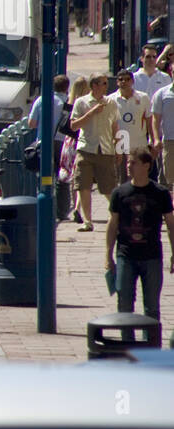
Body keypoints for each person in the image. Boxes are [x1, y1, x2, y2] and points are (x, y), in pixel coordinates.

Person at [105, 149, 174, 326]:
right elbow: (112, 224)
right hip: (126, 255)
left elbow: (170, 224)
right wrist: (108, 255)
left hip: (152, 256)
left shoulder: (160, 193)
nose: (129, 166)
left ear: (146, 166)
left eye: (133, 162)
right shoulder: (120, 193)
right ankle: (128, 346)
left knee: (151, 307)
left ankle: (151, 348)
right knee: (124, 305)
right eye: (128, 162)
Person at [69, 73, 120, 231]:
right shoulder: (81, 102)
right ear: (94, 85)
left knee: (108, 187)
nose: (106, 86)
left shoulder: (111, 103)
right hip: (86, 149)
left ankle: (118, 216)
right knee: (83, 185)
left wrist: (119, 148)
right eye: (103, 83)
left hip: (105, 149)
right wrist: (91, 113)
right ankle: (87, 221)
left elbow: (116, 127)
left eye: (106, 83)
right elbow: (74, 126)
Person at [108, 69, 153, 182]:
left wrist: (152, 140)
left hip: (139, 146)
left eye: (127, 79)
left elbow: (149, 120)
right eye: (121, 79)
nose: (124, 82)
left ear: (132, 81)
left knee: (139, 178)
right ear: (117, 82)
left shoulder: (143, 98)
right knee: (121, 180)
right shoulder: (111, 100)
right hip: (120, 147)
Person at [62, 76, 91, 222]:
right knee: (80, 175)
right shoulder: (86, 103)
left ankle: (75, 206)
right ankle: (76, 207)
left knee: (72, 176)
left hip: (69, 142)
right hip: (82, 140)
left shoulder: (69, 102)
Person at [152, 77, 174, 188]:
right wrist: (156, 139)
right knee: (169, 177)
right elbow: (155, 119)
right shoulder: (162, 93)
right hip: (169, 140)